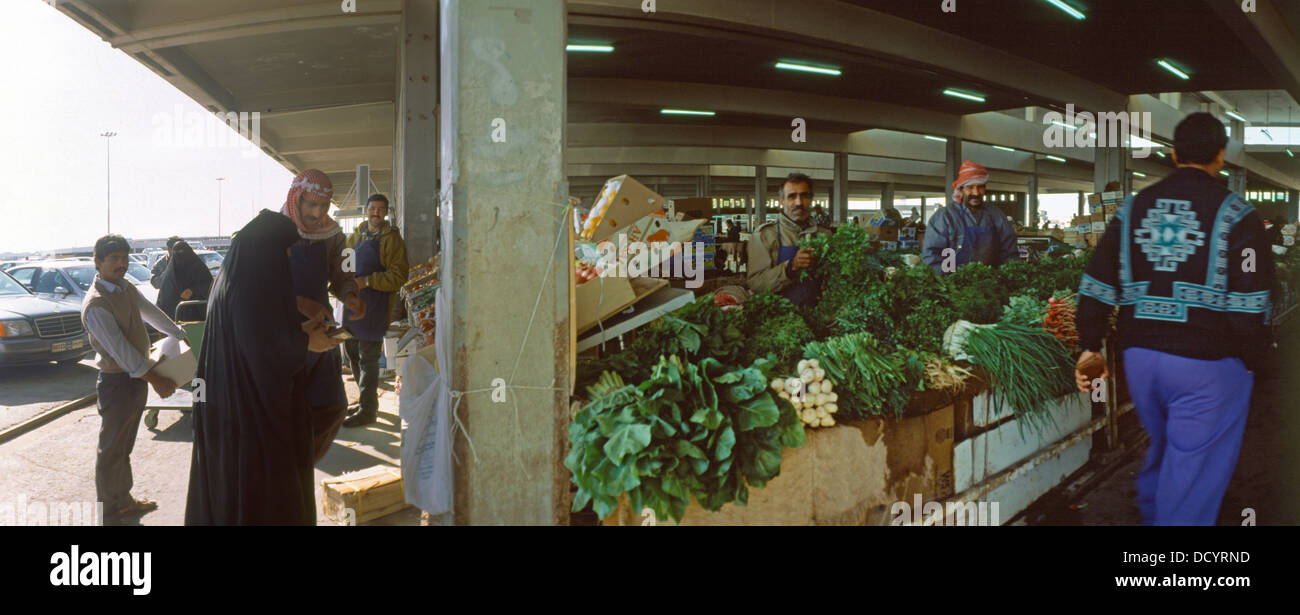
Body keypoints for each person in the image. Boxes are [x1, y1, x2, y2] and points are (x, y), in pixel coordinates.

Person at [1074, 112, 1273, 526]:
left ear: (1172, 153)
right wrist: (1254, 360)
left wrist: (1090, 346)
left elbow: (1095, 283)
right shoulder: (1238, 214)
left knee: (1165, 451)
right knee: (1193, 478)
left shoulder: (1132, 210)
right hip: (1208, 368)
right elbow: (1250, 302)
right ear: (1221, 156)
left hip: (1142, 363)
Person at [185, 211, 339, 525]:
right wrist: (308, 344)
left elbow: (261, 334)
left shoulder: (234, 277)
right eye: (284, 250)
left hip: (228, 409)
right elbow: (264, 353)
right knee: (263, 498)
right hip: (251, 418)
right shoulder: (251, 286)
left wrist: (300, 333)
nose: (287, 256)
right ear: (267, 250)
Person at [80, 234, 188, 524]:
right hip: (117, 383)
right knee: (112, 448)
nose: (122, 264)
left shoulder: (124, 288)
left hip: (136, 379)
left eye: (125, 258)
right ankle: (109, 511)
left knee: (123, 446)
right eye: (114, 259)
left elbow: (151, 313)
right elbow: (123, 353)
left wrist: (179, 333)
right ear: (99, 262)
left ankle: (123, 501)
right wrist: (156, 379)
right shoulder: (97, 304)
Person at [280, 169, 364, 463]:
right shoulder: (273, 234)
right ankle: (286, 471)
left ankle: (305, 462)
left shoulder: (333, 235)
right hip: (284, 332)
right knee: (285, 410)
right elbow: (256, 288)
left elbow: (342, 274)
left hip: (322, 328)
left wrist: (350, 294)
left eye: (323, 206)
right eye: (311, 205)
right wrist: (300, 303)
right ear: (297, 198)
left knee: (332, 405)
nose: (317, 213)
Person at [341, 194, 409, 427]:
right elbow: (345, 266)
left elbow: (399, 276)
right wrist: (345, 282)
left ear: (386, 212)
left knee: (369, 357)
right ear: (366, 210)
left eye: (381, 209)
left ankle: (368, 411)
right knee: (350, 350)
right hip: (352, 305)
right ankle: (363, 399)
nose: (376, 213)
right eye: (372, 208)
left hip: (375, 307)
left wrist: (368, 281)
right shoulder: (355, 236)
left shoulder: (393, 240)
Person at [746, 172, 833, 306]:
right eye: (792, 196)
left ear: (811, 199)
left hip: (817, 316)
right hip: (778, 318)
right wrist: (790, 267)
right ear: (782, 201)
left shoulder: (824, 235)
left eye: (804, 196)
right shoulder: (765, 235)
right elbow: (756, 284)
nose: (799, 202)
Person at [922, 161, 1020, 274]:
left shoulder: (996, 215)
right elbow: (933, 256)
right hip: (954, 283)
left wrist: (1008, 276)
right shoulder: (945, 217)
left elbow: (1009, 251)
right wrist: (949, 282)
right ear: (960, 190)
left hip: (991, 282)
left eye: (980, 187)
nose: (976, 192)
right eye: (970, 187)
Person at [156, 240, 213, 320]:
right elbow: (163, 299)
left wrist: (194, 290)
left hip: (199, 317)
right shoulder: (169, 275)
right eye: (177, 254)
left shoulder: (200, 270)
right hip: (175, 319)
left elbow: (209, 286)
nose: (181, 258)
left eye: (183, 253)